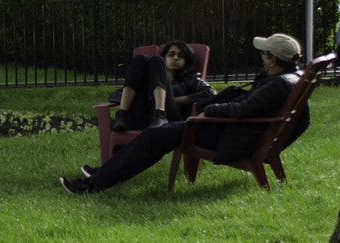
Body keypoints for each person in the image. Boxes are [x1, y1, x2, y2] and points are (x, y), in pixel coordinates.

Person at [61, 33, 311, 194]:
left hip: (225, 134)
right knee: (156, 135)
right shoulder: (290, 79)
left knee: (154, 136)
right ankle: (102, 176)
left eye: (264, 54)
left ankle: (94, 184)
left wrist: (210, 111)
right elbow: (301, 120)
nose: (262, 58)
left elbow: (243, 110)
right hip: (236, 132)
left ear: (274, 60)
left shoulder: (278, 84)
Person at [113, 39, 214, 131]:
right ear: (165, 58)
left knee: (157, 60)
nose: (175, 58)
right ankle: (122, 115)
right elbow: (116, 95)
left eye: (181, 56)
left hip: (169, 119)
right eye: (171, 54)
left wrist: (175, 100)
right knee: (140, 58)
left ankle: (159, 114)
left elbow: (210, 93)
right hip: (142, 115)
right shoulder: (149, 77)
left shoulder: (192, 79)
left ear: (186, 61)